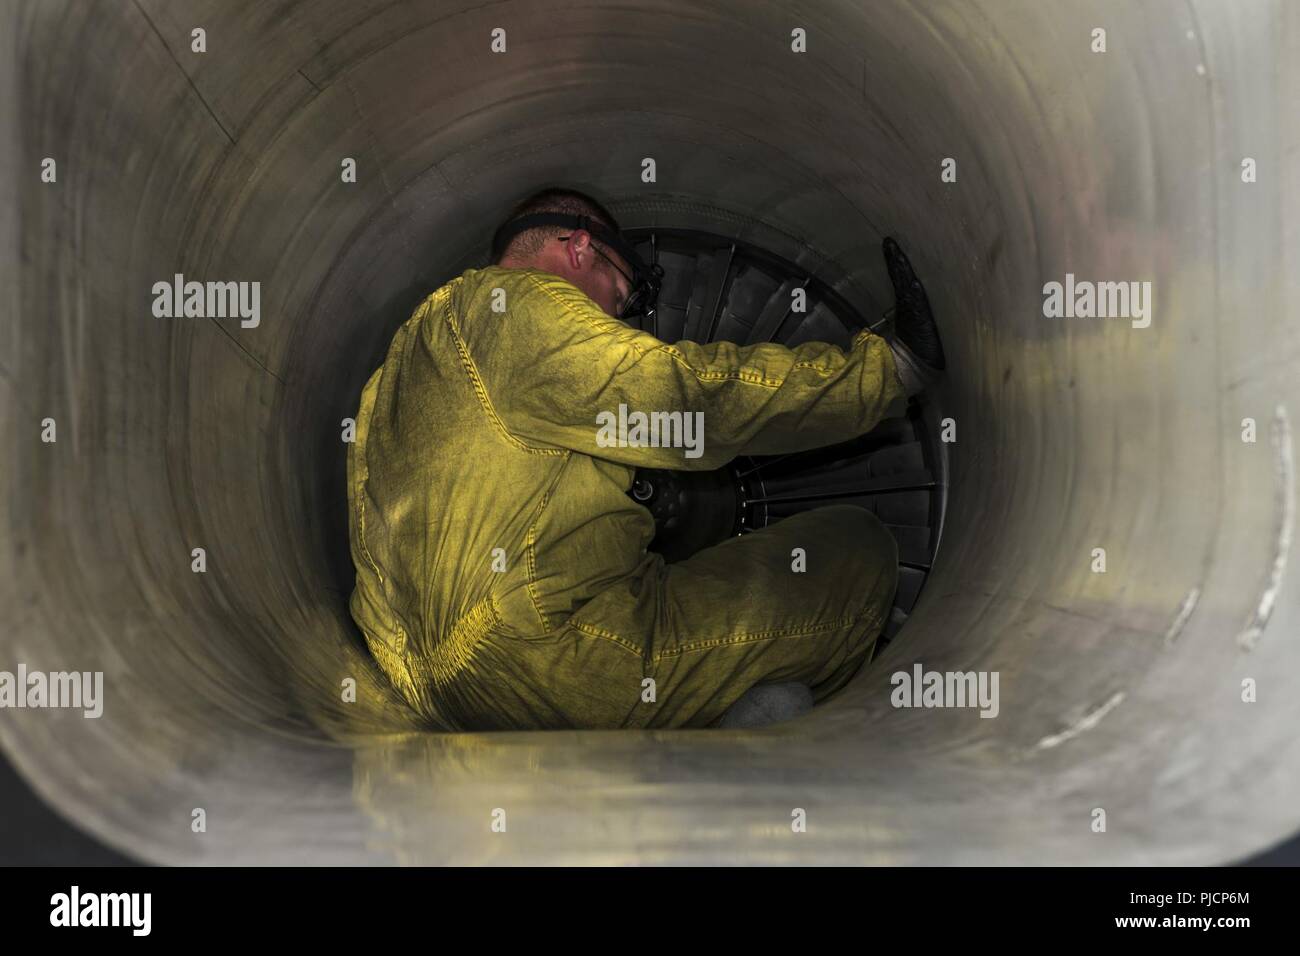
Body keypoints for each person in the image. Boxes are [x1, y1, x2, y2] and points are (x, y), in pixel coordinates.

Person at [346, 186, 946, 730]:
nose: (614, 316)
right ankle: (766, 740)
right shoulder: (518, 303)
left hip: (426, 698)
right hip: (550, 653)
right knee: (856, 551)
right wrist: (885, 373)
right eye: (622, 293)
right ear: (580, 248)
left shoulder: (400, 369)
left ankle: (715, 720)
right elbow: (682, 400)